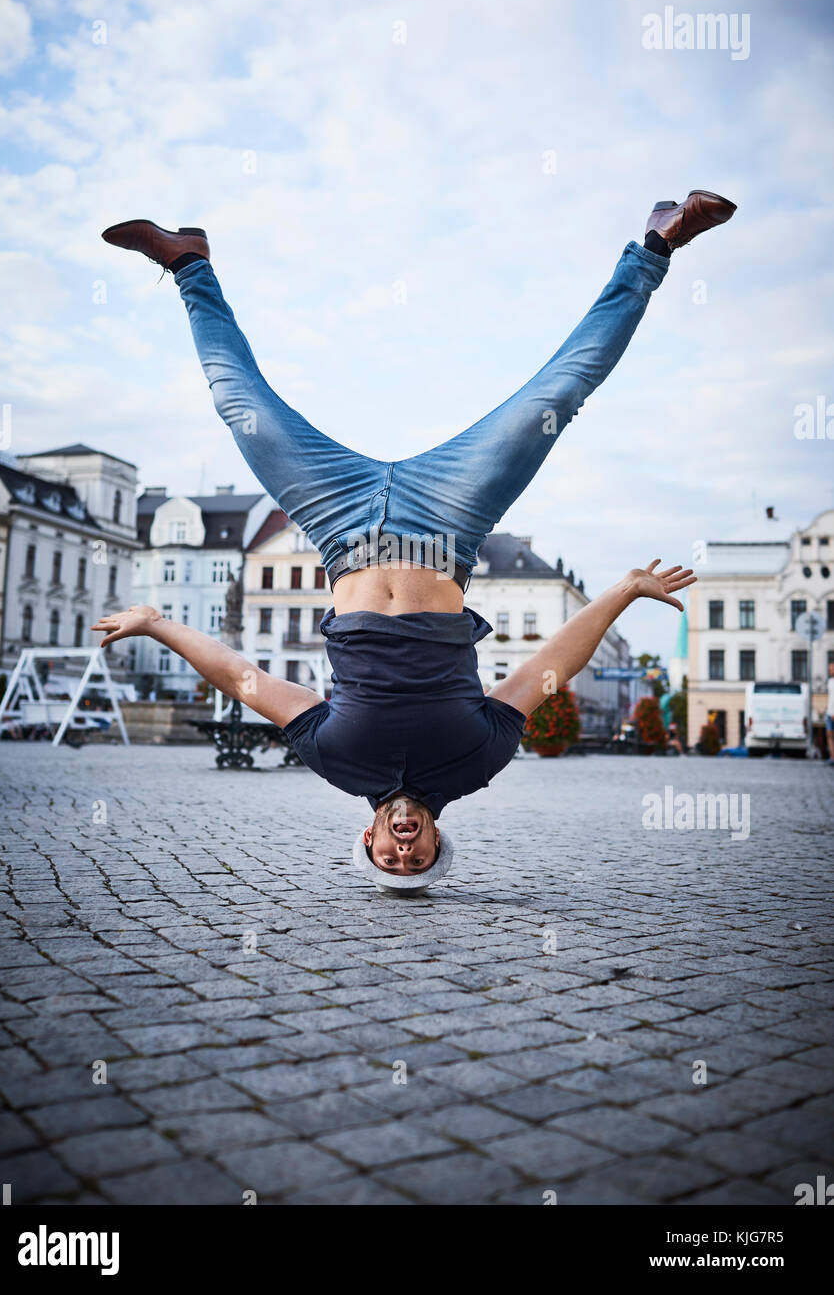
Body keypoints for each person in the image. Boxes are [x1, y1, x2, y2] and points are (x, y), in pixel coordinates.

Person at [94, 191, 735, 892]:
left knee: (237, 404)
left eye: (389, 861)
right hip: (448, 522)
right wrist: (622, 592)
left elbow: (246, 681)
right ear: (435, 842)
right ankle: (656, 246)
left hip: (336, 524)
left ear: (367, 839)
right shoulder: (475, 762)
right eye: (418, 862)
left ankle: (189, 264)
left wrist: (157, 624)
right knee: (557, 395)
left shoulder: (338, 762)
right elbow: (545, 671)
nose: (404, 853)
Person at [827, 659, 834, 764]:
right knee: (829, 735)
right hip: (829, 712)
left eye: (832, 668)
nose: (830, 670)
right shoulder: (830, 682)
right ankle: (832, 757)